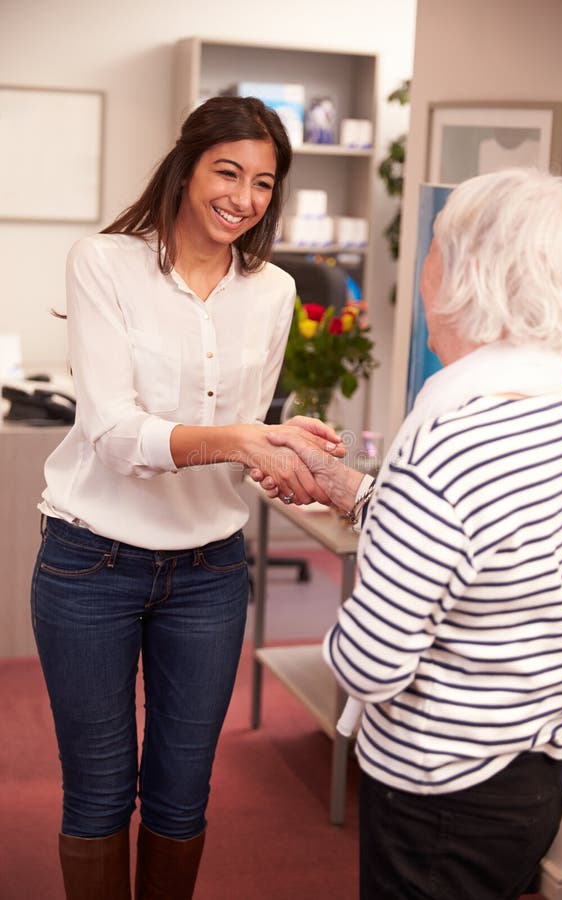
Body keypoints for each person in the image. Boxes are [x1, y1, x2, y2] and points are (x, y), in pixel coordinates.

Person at [256, 168, 562, 899]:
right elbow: (488, 552)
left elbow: (371, 663)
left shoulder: (448, 441)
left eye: (437, 247)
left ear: (469, 274)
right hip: (527, 772)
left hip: (442, 791)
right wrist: (351, 489)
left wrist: (332, 645)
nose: (424, 265)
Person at [31, 95, 343, 900]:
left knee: (181, 795)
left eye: (264, 183)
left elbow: (242, 430)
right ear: (187, 166)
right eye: (228, 172)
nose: (244, 198)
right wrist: (243, 439)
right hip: (90, 562)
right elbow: (112, 432)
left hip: (208, 569)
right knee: (99, 793)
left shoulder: (272, 291)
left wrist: (279, 446)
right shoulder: (103, 262)